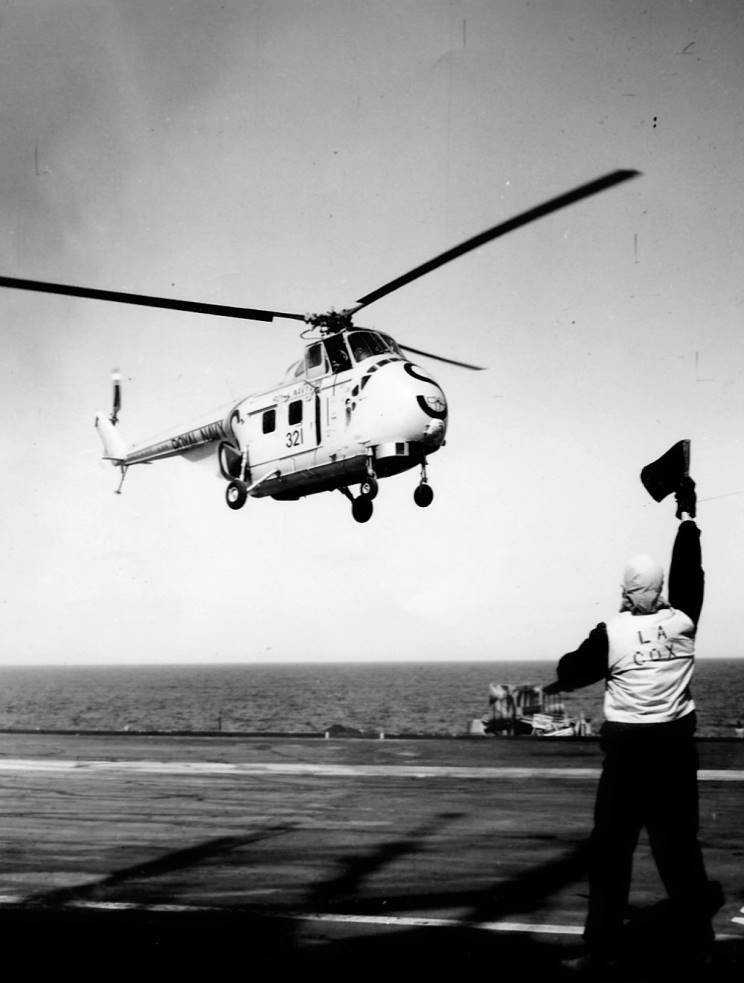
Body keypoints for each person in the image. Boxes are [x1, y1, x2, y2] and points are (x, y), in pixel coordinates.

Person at [544, 476, 714, 974]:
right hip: (676, 756)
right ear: (661, 589)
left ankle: (601, 950)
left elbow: (568, 671)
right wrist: (687, 519)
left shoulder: (612, 634)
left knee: (611, 855)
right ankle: (698, 948)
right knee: (680, 853)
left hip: (627, 761)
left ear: (625, 590)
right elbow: (692, 575)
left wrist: (595, 636)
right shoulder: (684, 623)